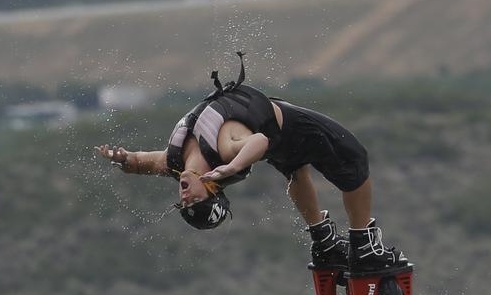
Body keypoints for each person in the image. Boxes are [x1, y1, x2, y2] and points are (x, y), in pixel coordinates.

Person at [96, 53, 406, 272]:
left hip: (280, 137)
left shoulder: (175, 162)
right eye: (197, 203)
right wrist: (231, 167)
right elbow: (259, 142)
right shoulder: (225, 153)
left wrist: (122, 159)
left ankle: (323, 241)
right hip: (294, 129)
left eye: (184, 205)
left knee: (297, 172)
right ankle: (363, 244)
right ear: (212, 188)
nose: (186, 198)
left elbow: (142, 163)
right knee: (355, 162)